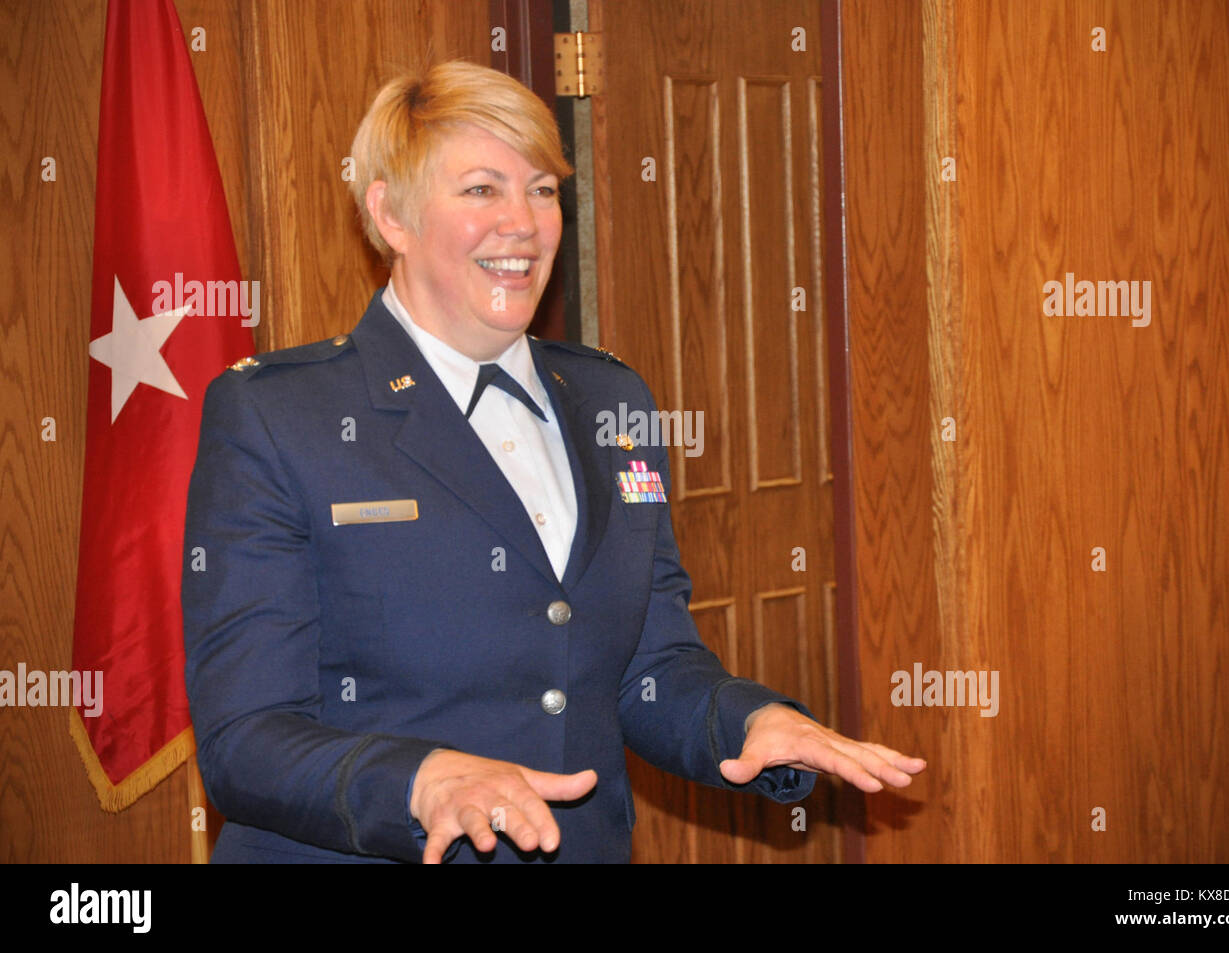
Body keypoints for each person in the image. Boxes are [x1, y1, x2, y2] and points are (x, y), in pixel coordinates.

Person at [182, 59, 925, 864]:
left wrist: (746, 720)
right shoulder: (279, 414)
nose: (524, 223)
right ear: (390, 213)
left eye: (541, 189)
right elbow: (243, 741)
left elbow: (650, 664)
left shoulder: (614, 401)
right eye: (480, 190)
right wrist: (417, 780)